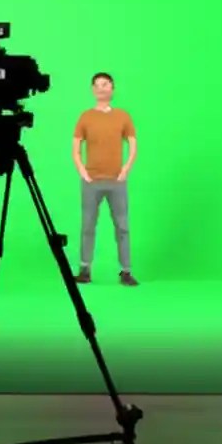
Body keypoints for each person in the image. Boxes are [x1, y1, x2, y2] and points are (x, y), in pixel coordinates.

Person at [72, 72, 138, 286]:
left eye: (106, 84)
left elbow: (133, 145)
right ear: (93, 89)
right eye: (98, 85)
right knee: (88, 225)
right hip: (91, 181)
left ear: (112, 88)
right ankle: (85, 269)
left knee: (122, 226)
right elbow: (76, 148)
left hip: (116, 181)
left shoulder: (123, 116)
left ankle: (126, 271)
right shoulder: (85, 117)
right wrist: (82, 171)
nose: (102, 88)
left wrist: (125, 170)